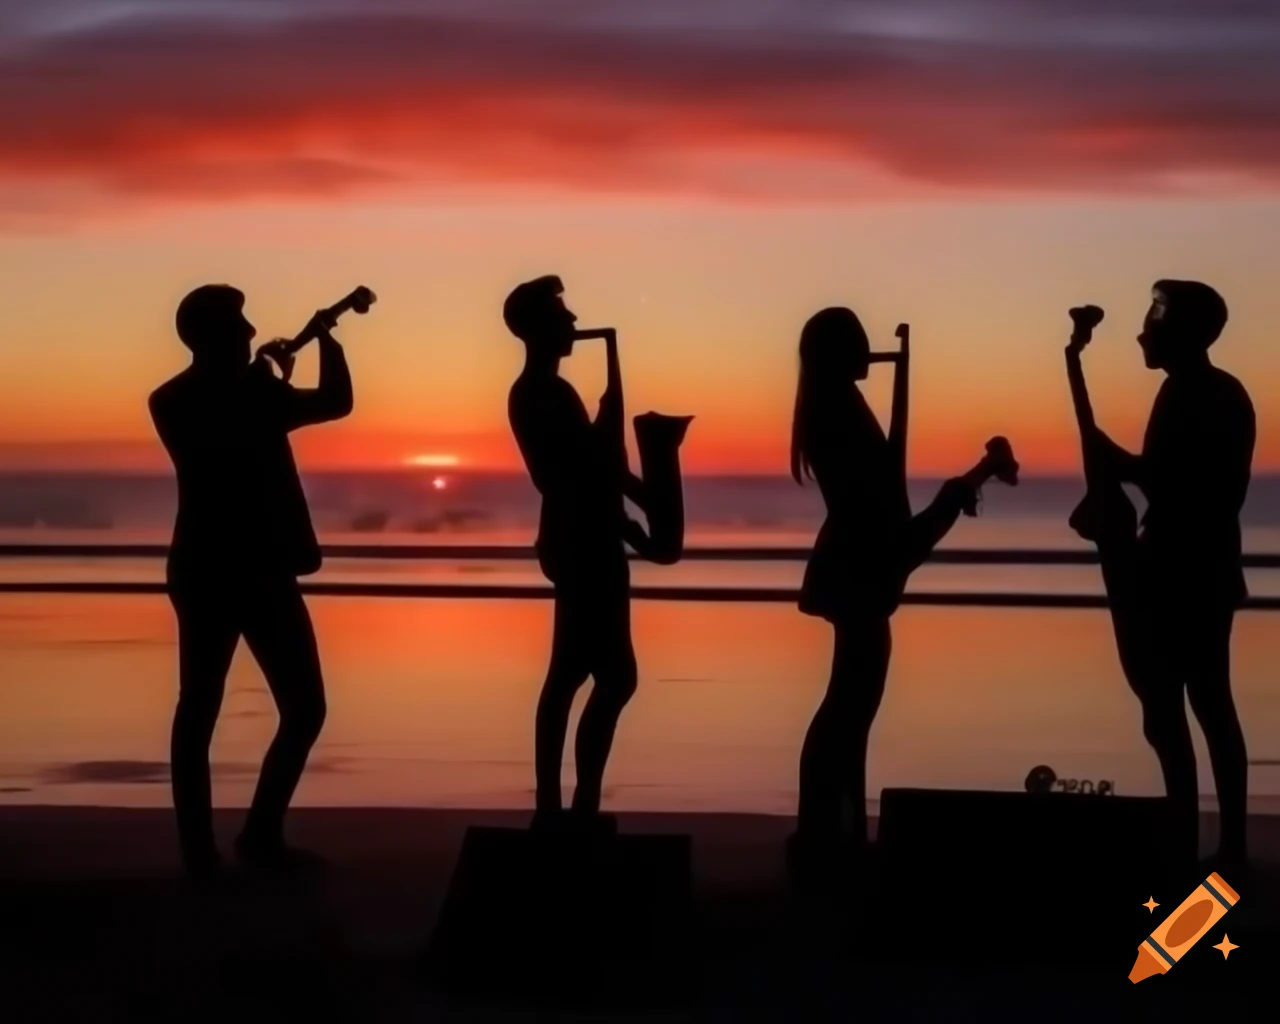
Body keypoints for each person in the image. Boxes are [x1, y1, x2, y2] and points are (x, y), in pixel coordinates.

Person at [788, 307, 1019, 877]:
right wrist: (962, 487)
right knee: (848, 707)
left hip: (855, 564)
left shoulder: (833, 406)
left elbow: (886, 511)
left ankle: (835, 829)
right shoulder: (837, 412)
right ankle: (826, 833)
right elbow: (885, 518)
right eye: (860, 345)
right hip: (859, 567)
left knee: (849, 707)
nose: (871, 352)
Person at [149, 284, 353, 878]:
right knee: (302, 708)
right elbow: (336, 401)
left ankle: (203, 848)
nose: (249, 330)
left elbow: (245, 420)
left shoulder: (170, 399)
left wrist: (271, 376)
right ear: (213, 334)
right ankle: (258, 836)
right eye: (238, 323)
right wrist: (330, 342)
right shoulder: (251, 393)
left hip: (201, 567)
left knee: (200, 709)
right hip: (257, 570)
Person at [1085, 280, 1255, 873]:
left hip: (1186, 573)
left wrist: (1113, 457)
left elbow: (1173, 485)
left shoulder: (1196, 395)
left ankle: (1204, 841)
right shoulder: (1212, 391)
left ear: (1182, 332)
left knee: (1183, 709)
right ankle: (1214, 840)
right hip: (1199, 569)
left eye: (1154, 321)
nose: (1142, 331)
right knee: (1202, 707)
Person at [505, 275, 655, 831]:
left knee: (579, 673)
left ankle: (564, 804)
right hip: (583, 539)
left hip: (580, 536)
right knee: (600, 676)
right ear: (540, 327)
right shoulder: (542, 393)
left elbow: (596, 465)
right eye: (562, 314)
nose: (572, 322)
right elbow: (580, 469)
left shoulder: (544, 391)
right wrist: (607, 423)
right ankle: (570, 804)